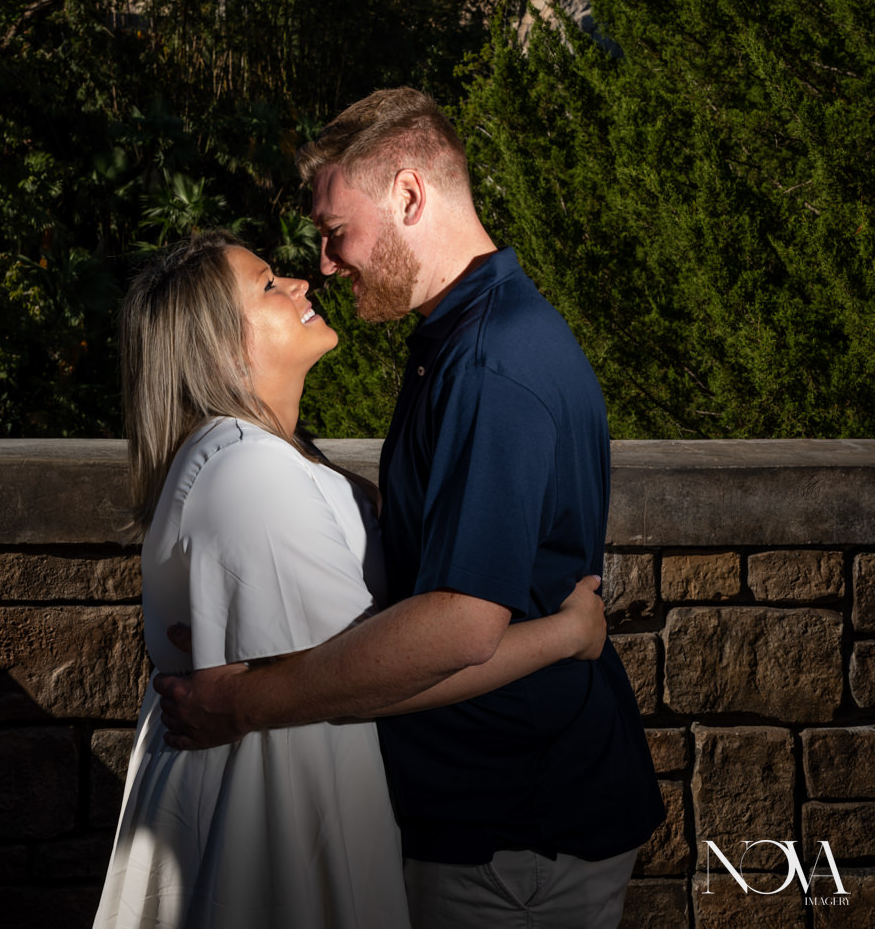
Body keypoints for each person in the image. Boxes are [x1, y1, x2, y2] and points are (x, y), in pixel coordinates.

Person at [155, 89, 665, 928]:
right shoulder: (457, 337)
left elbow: (461, 624)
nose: (323, 263)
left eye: (334, 233)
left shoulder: (492, 367)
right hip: (485, 819)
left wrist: (241, 703)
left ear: (409, 196)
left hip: (510, 838)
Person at [94, 226, 608, 929]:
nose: (304, 281)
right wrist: (567, 633)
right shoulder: (249, 474)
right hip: (274, 820)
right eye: (269, 285)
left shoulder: (266, 457)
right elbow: (373, 676)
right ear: (222, 346)